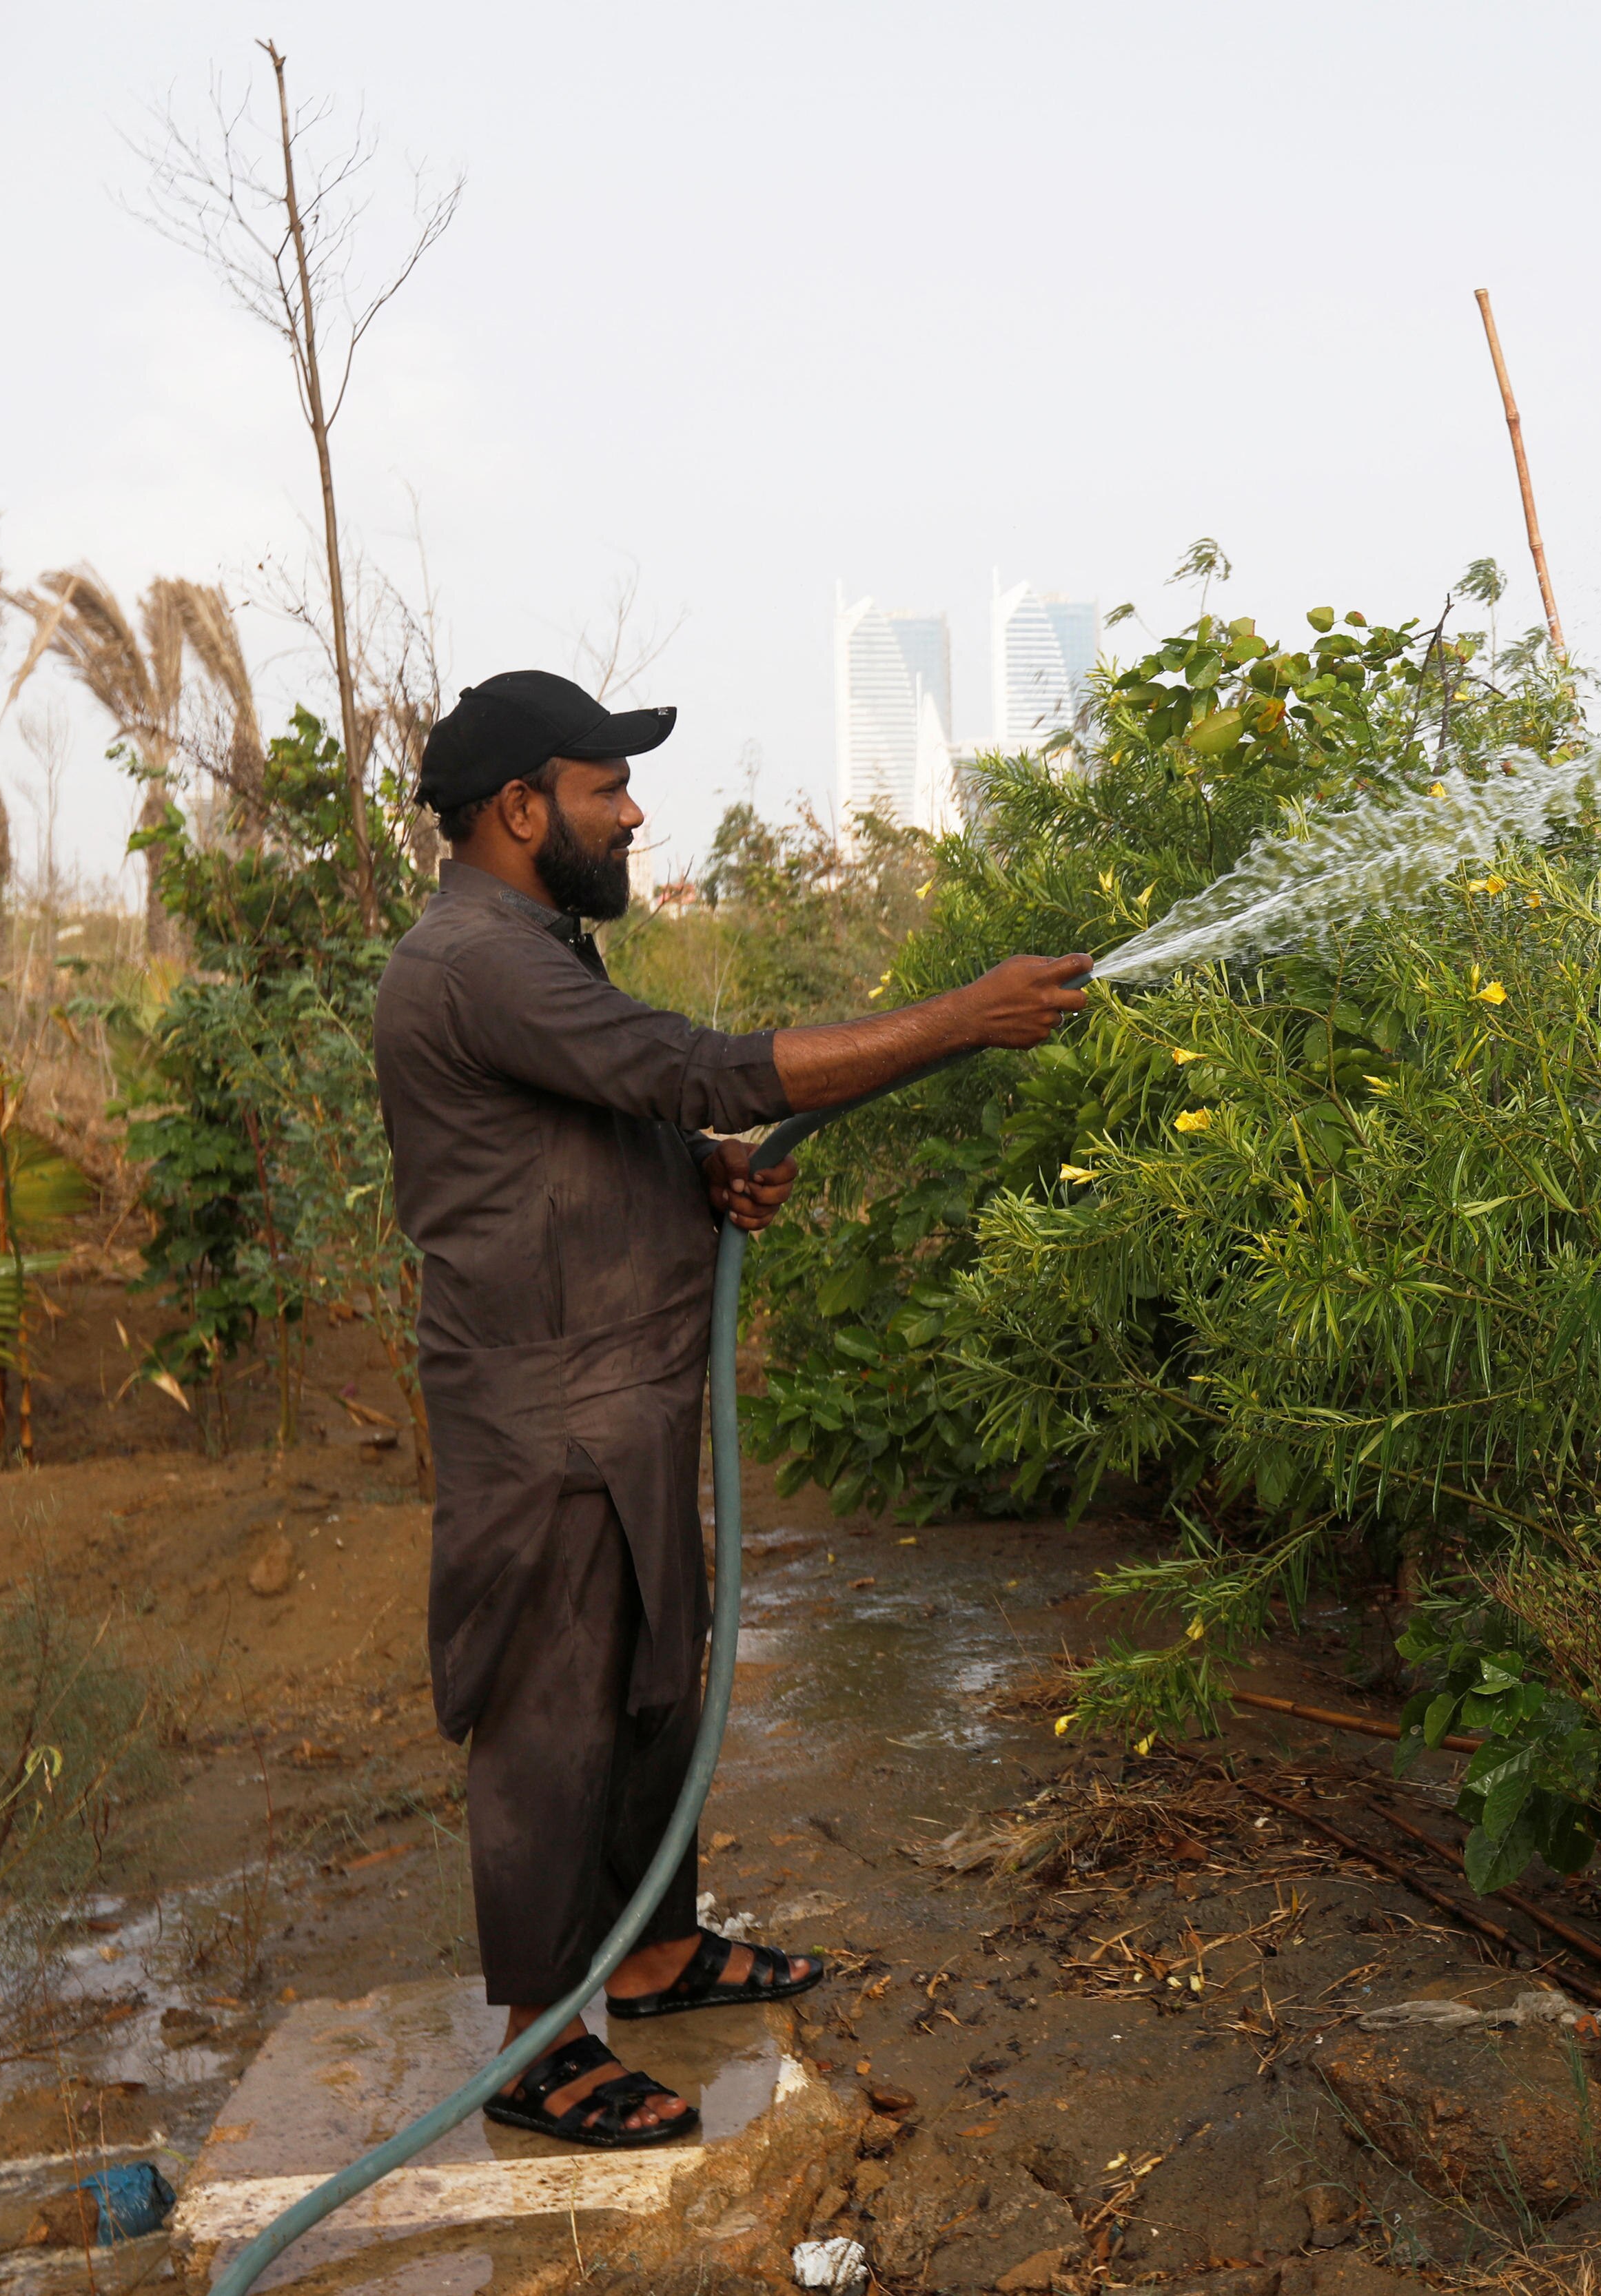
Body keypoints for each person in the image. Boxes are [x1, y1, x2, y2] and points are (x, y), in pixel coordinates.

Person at [375, 669, 1090, 2147]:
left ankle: (649, 1950)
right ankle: (531, 2043)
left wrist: (691, 1178)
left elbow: (604, 1120)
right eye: (604, 787)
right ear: (522, 809)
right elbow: (691, 1070)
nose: (632, 810)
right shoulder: (474, 962)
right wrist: (965, 1016)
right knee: (552, 1710)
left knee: (651, 1675)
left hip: (617, 1390)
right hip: (546, 1409)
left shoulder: (535, 944)